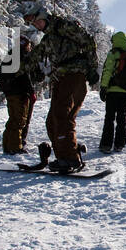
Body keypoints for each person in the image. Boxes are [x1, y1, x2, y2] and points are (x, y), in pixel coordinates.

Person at [28, 11, 99, 172]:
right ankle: (67, 153)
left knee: (62, 116)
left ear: (45, 18)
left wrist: (92, 68)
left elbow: (87, 41)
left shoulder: (64, 27)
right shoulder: (48, 39)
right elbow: (35, 56)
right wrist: (32, 69)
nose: (38, 26)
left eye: (38, 22)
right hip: (60, 77)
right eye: (35, 25)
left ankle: (69, 158)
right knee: (52, 121)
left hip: (74, 74)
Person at [98, 31, 126, 155]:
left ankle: (106, 145)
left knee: (109, 118)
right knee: (122, 118)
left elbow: (107, 71)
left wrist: (103, 87)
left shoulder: (113, 54)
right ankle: (119, 144)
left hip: (113, 91)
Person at [0, 36, 39, 155]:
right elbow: (25, 77)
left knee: (13, 119)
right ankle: (15, 147)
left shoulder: (10, 55)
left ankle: (7, 145)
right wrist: (31, 92)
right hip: (20, 93)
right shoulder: (22, 57)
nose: (30, 48)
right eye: (29, 46)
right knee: (19, 120)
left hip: (10, 93)